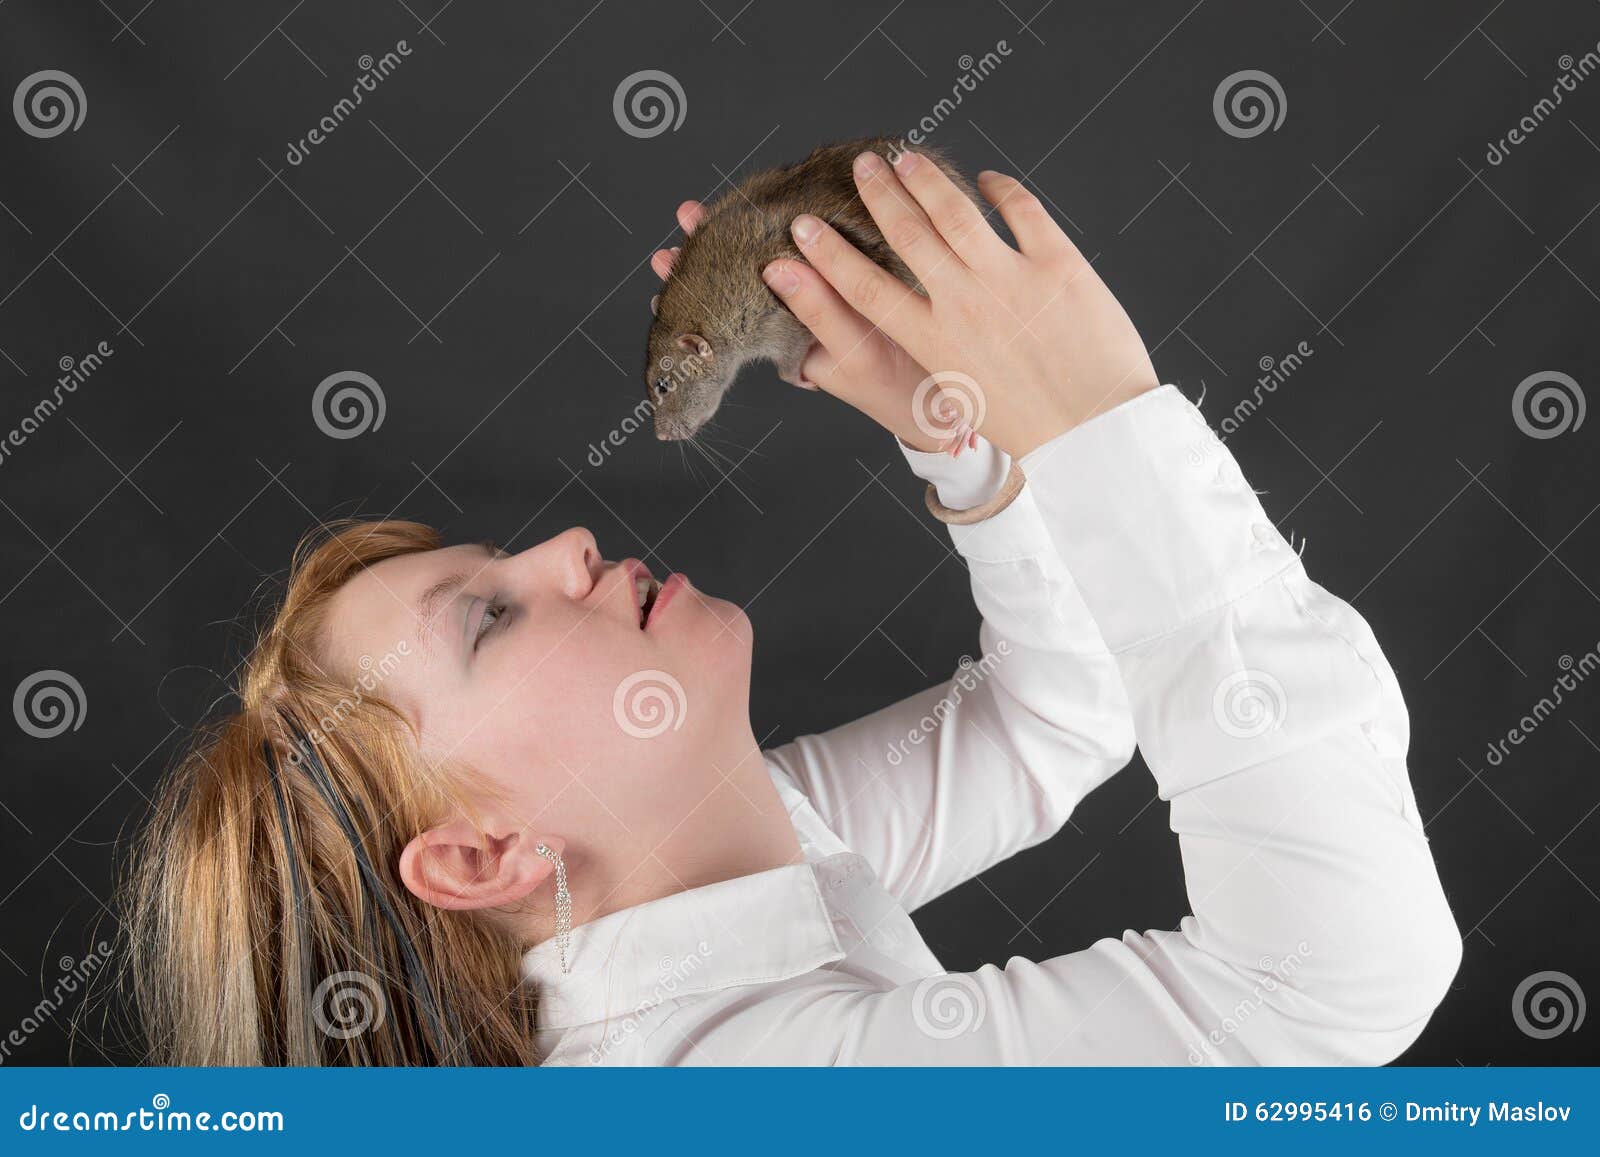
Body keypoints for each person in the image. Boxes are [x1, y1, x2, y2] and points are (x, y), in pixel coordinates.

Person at [123, 150, 1460, 1065]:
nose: (567, 544)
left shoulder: (718, 855)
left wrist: (965, 440)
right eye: (491, 619)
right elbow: (1330, 982)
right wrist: (1104, 424)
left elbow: (1060, 718)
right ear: (483, 856)